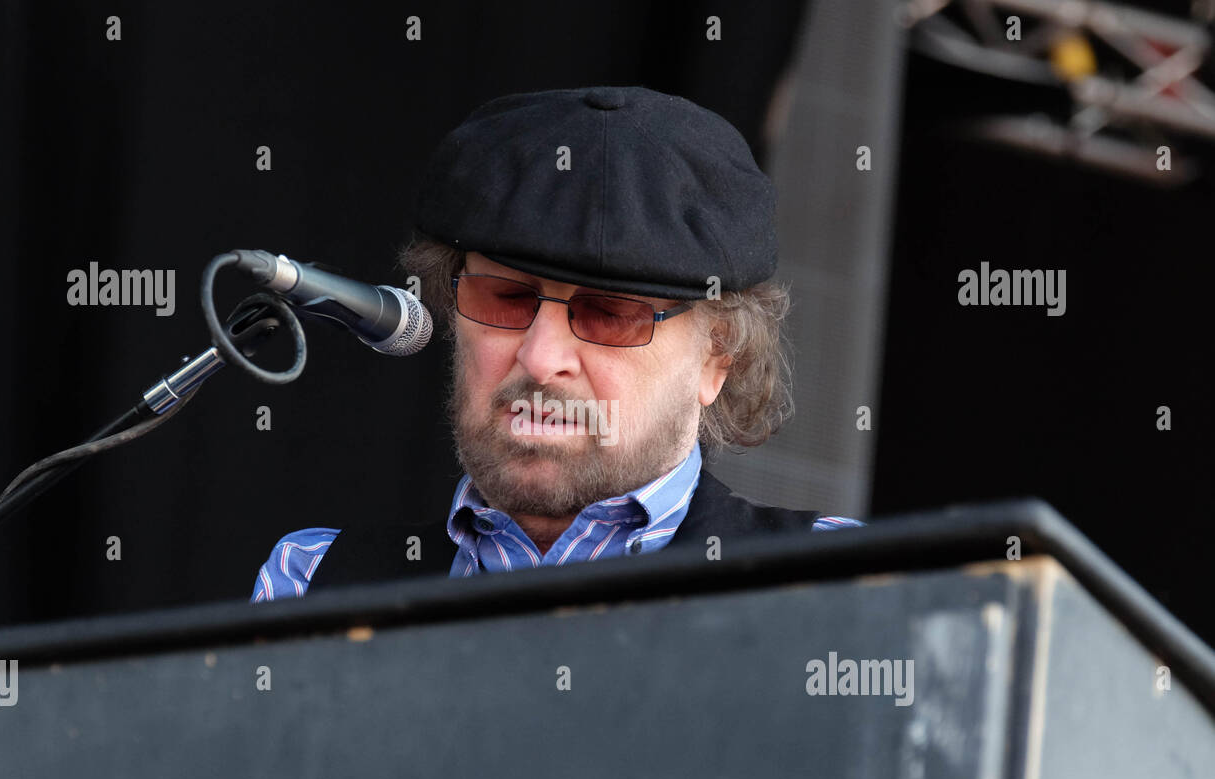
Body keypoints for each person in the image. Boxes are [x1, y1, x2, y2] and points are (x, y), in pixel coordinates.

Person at [252, 86, 862, 602]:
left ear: (717, 358)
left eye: (610, 315)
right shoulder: (313, 581)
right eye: (506, 300)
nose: (542, 359)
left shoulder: (840, 581)